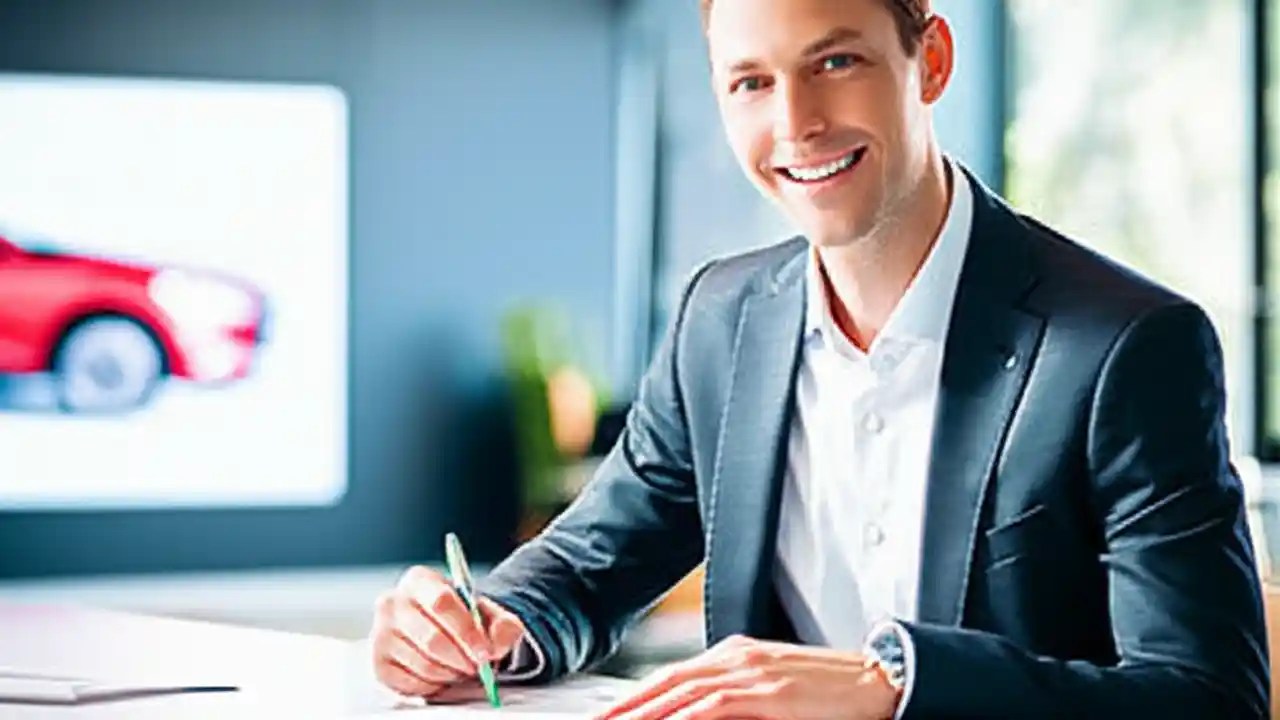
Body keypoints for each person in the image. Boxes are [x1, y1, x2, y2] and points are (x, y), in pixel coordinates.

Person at [369, 0, 1271, 717]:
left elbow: (1207, 697)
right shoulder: (719, 321)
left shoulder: (1126, 346)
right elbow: (587, 566)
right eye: (751, 83)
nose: (795, 123)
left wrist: (897, 685)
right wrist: (483, 627)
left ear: (934, 62)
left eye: (835, 62)